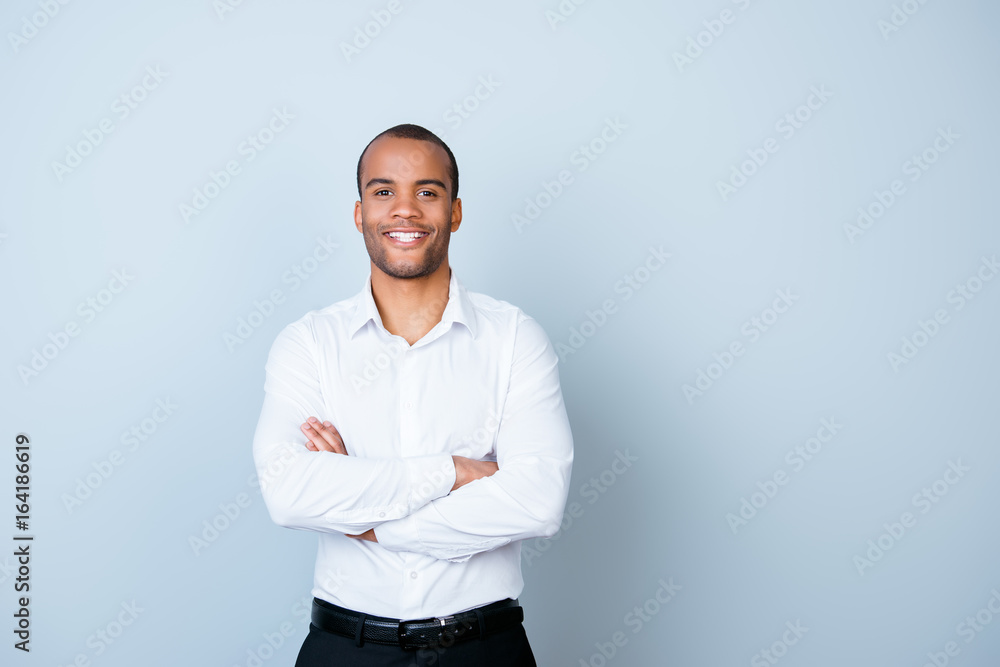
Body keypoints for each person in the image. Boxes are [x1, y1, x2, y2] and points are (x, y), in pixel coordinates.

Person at [251, 123, 574, 666]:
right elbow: (289, 493)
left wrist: (369, 522)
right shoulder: (308, 344)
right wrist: (453, 471)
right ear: (360, 214)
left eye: (427, 192)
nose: (405, 210)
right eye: (383, 192)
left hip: (483, 650)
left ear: (455, 212)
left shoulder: (515, 338)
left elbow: (537, 503)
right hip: (345, 650)